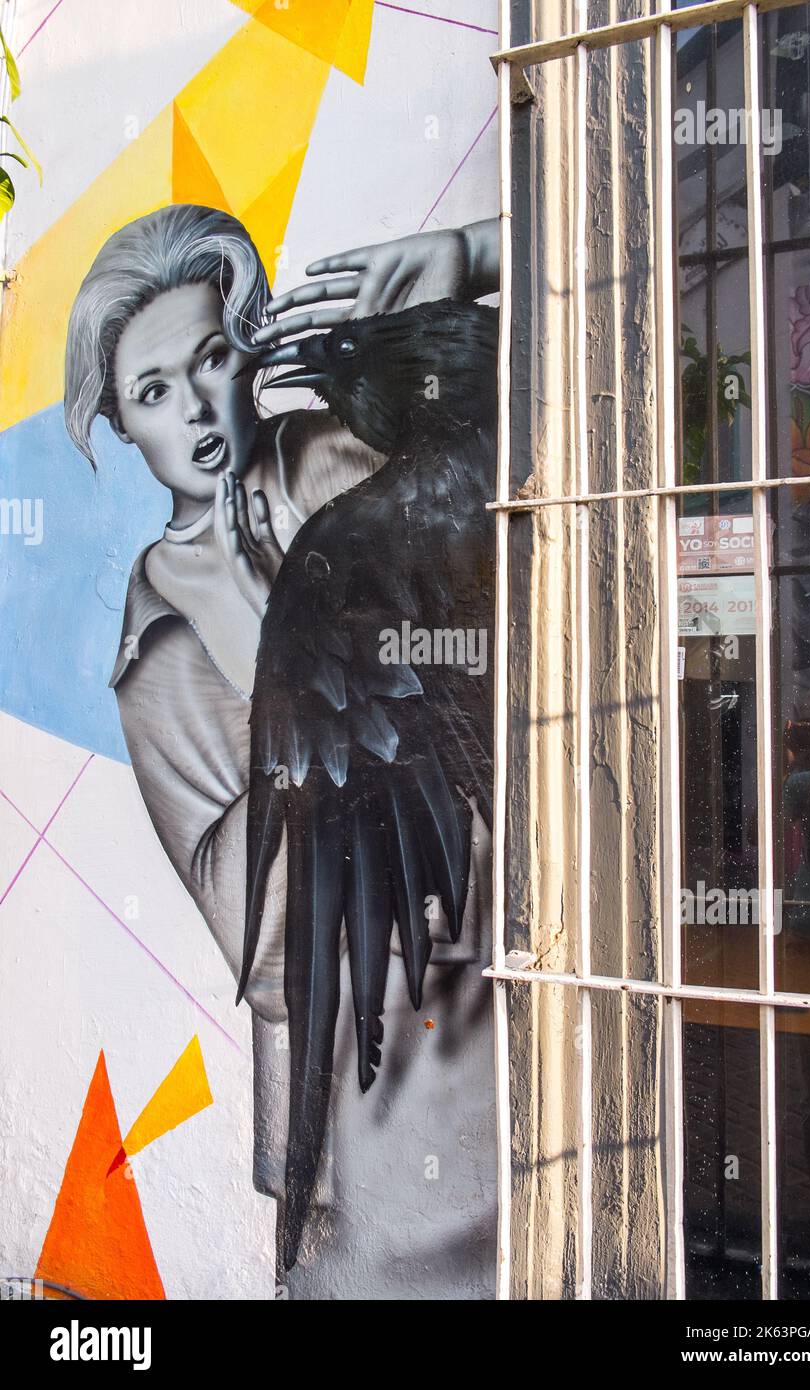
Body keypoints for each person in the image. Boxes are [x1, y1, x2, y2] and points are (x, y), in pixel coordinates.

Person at [64, 204, 500, 1297]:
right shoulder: (157, 638)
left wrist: (471, 262)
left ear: (248, 348)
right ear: (121, 427)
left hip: (514, 1005)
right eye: (151, 393)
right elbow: (257, 936)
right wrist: (312, 705)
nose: (197, 410)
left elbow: (556, 419)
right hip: (363, 1095)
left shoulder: (337, 456)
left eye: (211, 358)